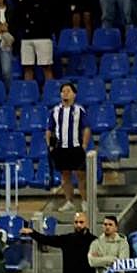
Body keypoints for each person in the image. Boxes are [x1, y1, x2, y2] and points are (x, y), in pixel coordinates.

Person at [48, 82, 91, 210]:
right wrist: (51, 146)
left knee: (81, 175)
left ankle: (85, 202)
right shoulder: (55, 111)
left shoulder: (79, 110)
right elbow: (49, 129)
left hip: (76, 147)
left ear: (74, 94)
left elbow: (86, 128)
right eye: (63, 91)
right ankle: (69, 201)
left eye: (68, 91)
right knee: (65, 176)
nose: (65, 93)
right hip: (61, 148)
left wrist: (84, 145)